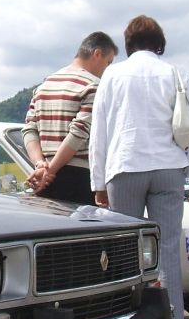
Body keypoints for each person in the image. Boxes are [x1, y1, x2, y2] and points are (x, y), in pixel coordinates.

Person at [89, 15, 189, 319]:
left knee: (124, 252)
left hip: (125, 166)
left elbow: (100, 130)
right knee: (168, 250)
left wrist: (98, 182)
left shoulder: (113, 74)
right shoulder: (174, 72)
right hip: (169, 168)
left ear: (128, 44)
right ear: (159, 43)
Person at [23, 31, 118, 204]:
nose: (107, 69)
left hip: (44, 179)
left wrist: (40, 165)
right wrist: (50, 170)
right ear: (97, 54)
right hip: (78, 177)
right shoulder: (93, 86)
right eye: (108, 62)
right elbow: (79, 133)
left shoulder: (44, 85)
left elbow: (29, 129)